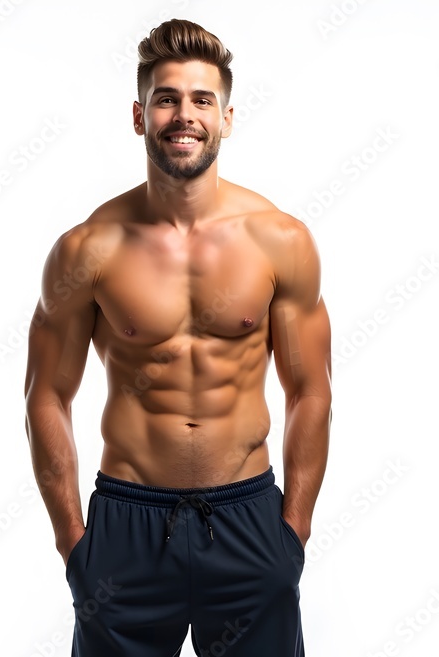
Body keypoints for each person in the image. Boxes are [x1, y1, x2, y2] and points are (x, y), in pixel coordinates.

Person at [24, 19, 330, 657]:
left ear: (225, 117)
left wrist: (293, 533)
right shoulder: (87, 248)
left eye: (201, 100)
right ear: (139, 116)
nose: (183, 115)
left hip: (248, 521)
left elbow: (310, 389)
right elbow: (45, 395)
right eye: (166, 98)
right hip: (125, 528)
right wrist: (74, 544)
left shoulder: (281, 239)